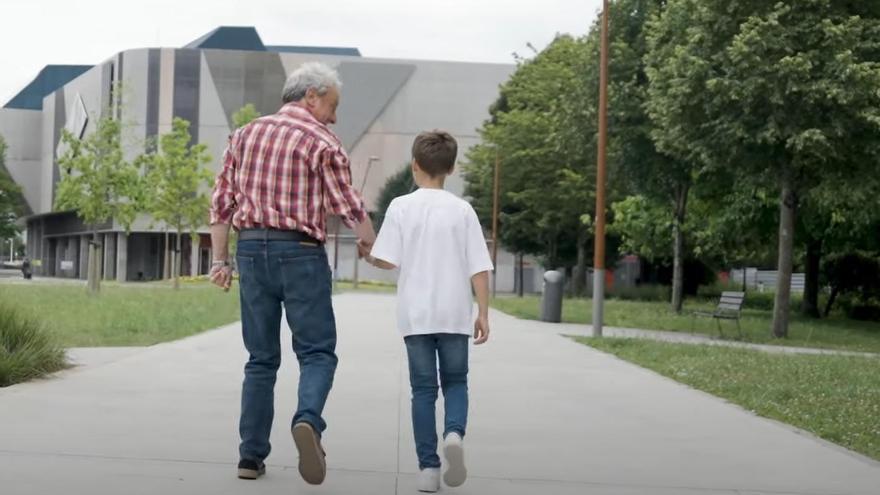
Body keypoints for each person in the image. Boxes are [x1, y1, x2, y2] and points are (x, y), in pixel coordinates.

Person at [208, 62, 376, 485]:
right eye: (333, 105)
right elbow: (348, 205)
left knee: (260, 359)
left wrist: (219, 261)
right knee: (317, 352)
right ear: (312, 96)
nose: (335, 116)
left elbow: (221, 203)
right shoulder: (323, 141)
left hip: (249, 251)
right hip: (300, 253)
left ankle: (250, 457)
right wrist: (371, 243)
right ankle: (308, 422)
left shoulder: (243, 135)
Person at [362, 130, 493, 492]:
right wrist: (483, 312)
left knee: (422, 390)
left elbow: (388, 260)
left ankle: (428, 469)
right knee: (456, 382)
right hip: (454, 314)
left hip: (416, 317)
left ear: (414, 166)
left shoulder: (402, 207)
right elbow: (479, 267)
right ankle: (453, 433)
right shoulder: (463, 210)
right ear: (451, 168)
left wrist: (367, 254)